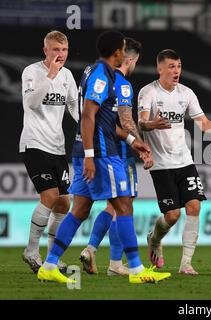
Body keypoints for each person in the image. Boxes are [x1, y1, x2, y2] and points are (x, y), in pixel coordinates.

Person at [37, 30, 170, 284]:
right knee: (123, 205)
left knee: (80, 209)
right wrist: (90, 156)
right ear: (118, 53)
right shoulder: (102, 75)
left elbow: (104, 120)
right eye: (123, 49)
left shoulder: (95, 71)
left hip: (89, 149)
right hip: (100, 153)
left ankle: (50, 264)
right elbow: (88, 115)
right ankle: (135, 269)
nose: (125, 54)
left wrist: (133, 141)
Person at [138, 49, 211, 275]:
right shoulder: (148, 93)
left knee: (195, 205)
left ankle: (186, 263)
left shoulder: (186, 93)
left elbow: (203, 123)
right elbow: (142, 123)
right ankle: (154, 239)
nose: (176, 71)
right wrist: (153, 124)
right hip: (161, 164)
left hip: (184, 161)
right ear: (160, 69)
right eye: (172, 67)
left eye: (179, 66)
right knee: (172, 215)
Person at [79, 37, 147, 277]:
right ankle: (116, 262)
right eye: (136, 61)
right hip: (115, 151)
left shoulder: (92, 71)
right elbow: (126, 122)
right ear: (129, 59)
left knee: (107, 205)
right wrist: (140, 145)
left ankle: (91, 249)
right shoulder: (122, 84)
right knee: (123, 204)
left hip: (97, 149)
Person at [20, 30, 78, 274]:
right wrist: (50, 74)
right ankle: (32, 251)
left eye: (64, 50)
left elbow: (75, 106)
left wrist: (89, 130)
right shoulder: (31, 72)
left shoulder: (68, 76)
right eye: (55, 50)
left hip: (57, 146)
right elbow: (31, 103)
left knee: (64, 202)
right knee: (50, 196)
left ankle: (53, 257)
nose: (60, 55)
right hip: (34, 143)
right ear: (45, 50)